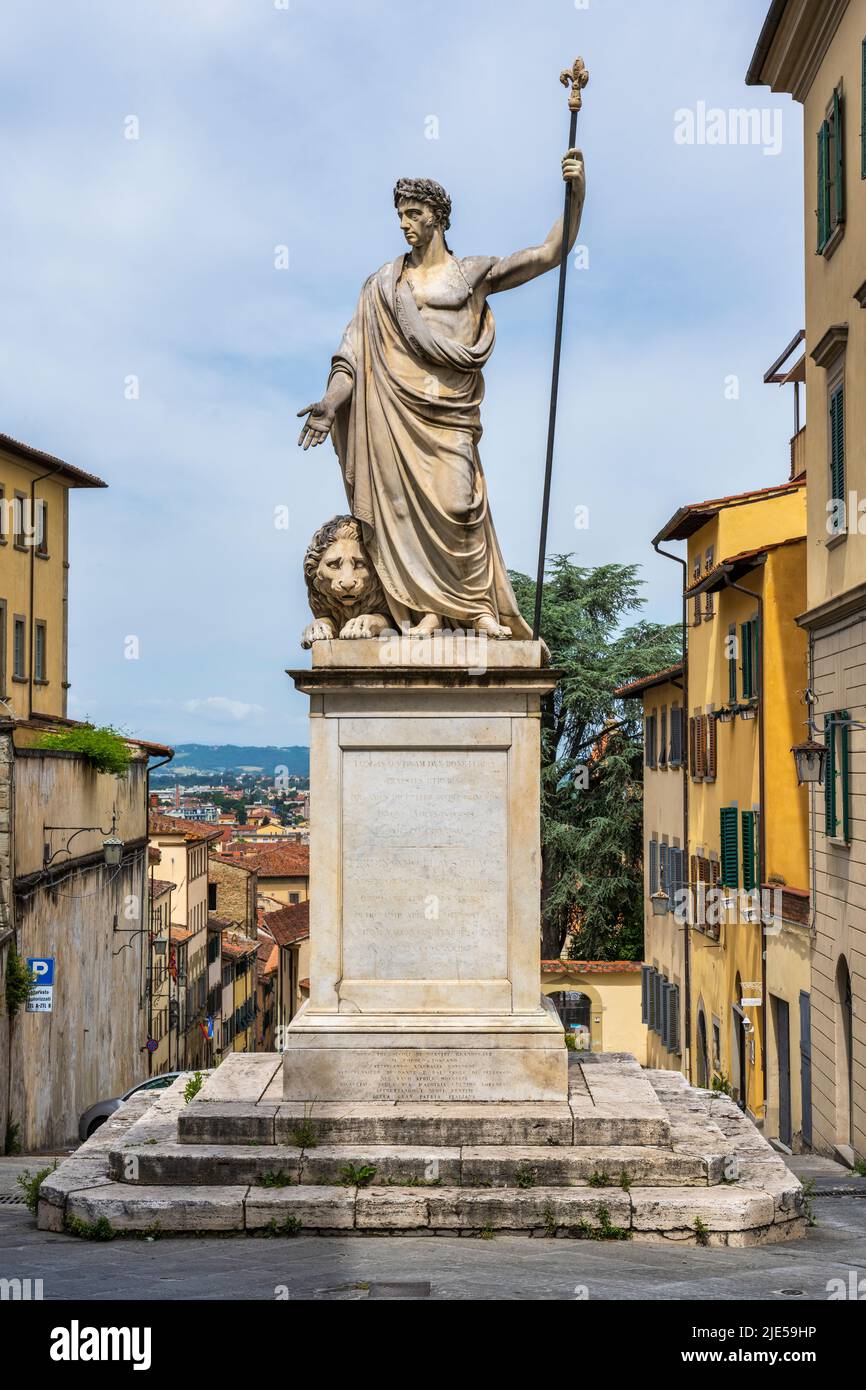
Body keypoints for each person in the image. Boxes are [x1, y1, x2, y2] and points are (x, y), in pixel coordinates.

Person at [298, 150, 586, 639]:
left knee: (459, 505)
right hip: (395, 414)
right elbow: (351, 356)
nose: (405, 224)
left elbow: (548, 253)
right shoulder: (382, 287)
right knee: (402, 515)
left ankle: (476, 608)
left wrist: (575, 193)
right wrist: (331, 403)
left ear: (439, 217)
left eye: (414, 214)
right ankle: (426, 608)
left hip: (448, 416)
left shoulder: (471, 273)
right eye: (401, 216)